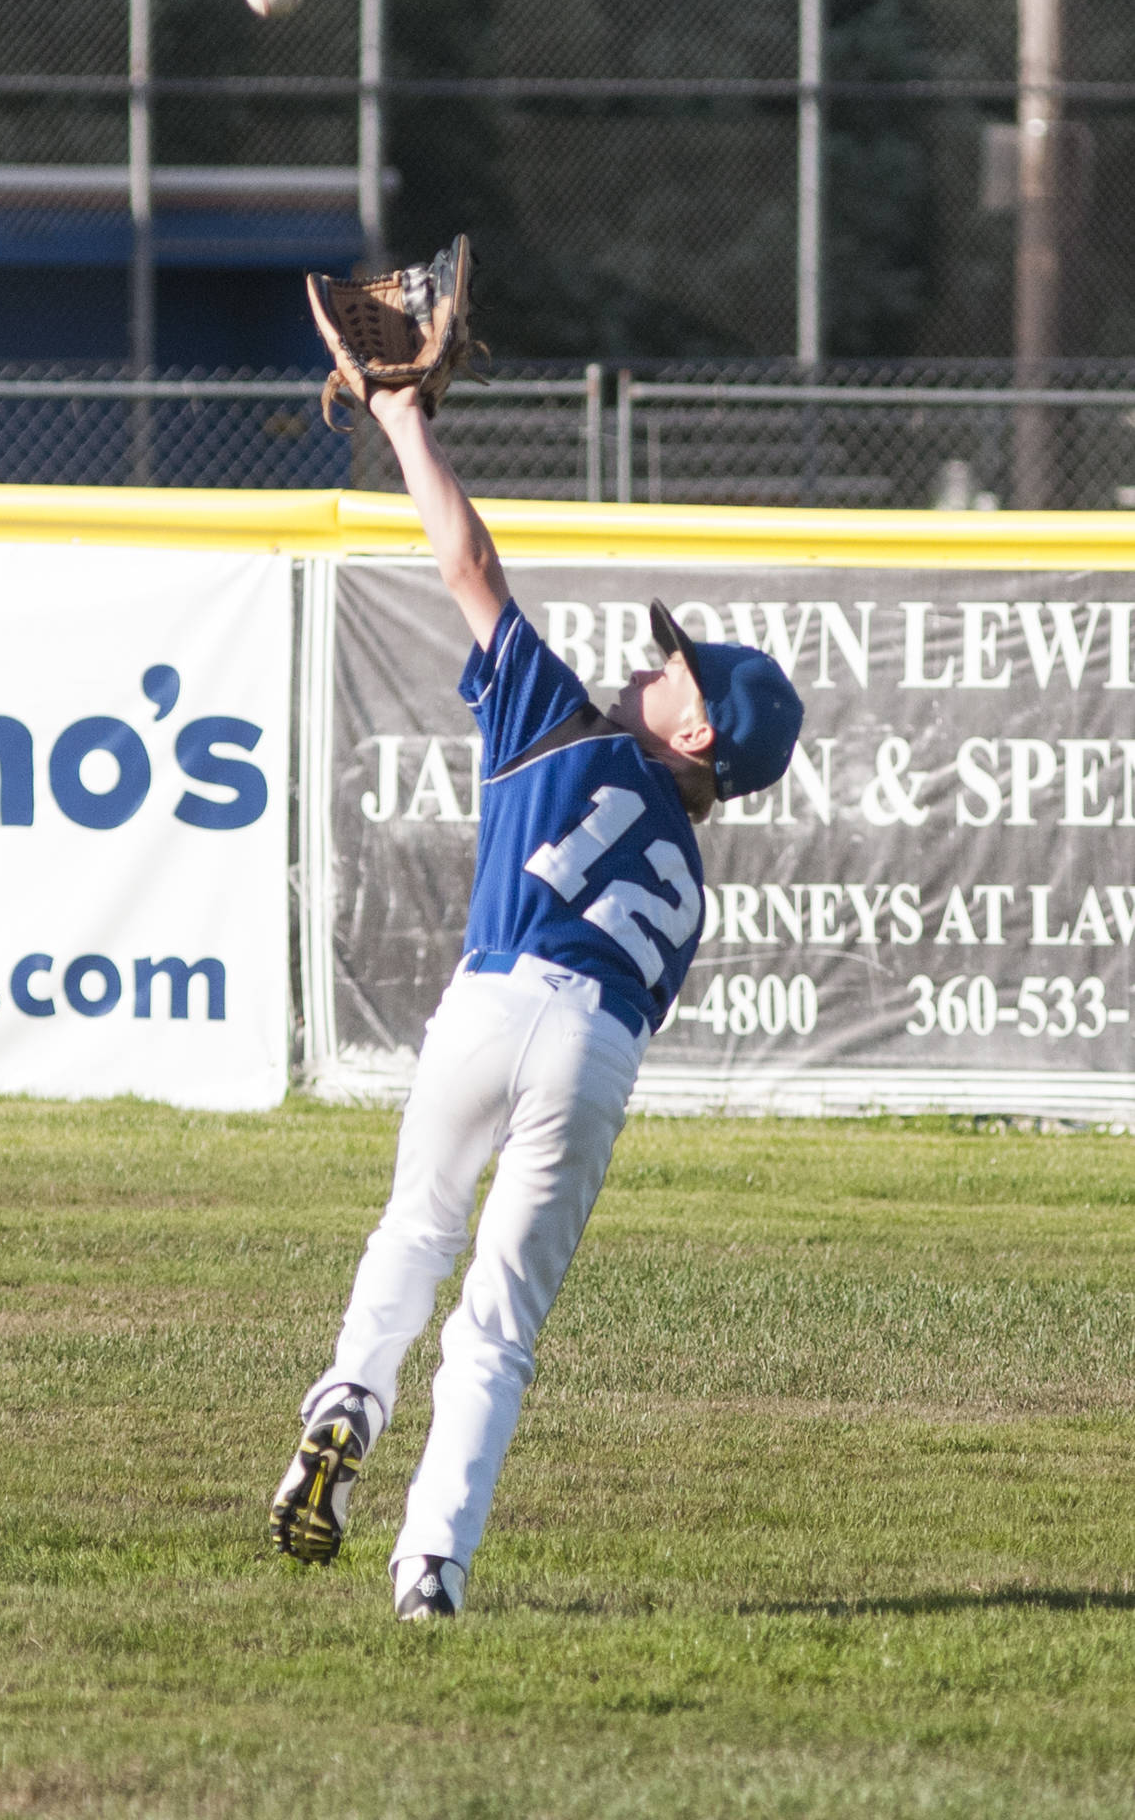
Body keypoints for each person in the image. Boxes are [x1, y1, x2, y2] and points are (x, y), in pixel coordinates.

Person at [271, 380, 804, 1620]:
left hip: (494, 996)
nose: (651, 658)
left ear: (696, 728)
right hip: (601, 1042)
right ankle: (431, 1568)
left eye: (674, 667)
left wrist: (402, 416)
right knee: (499, 1325)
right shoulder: (692, 886)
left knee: (416, 1224)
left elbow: (463, 556)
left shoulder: (561, 724)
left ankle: (351, 1392)